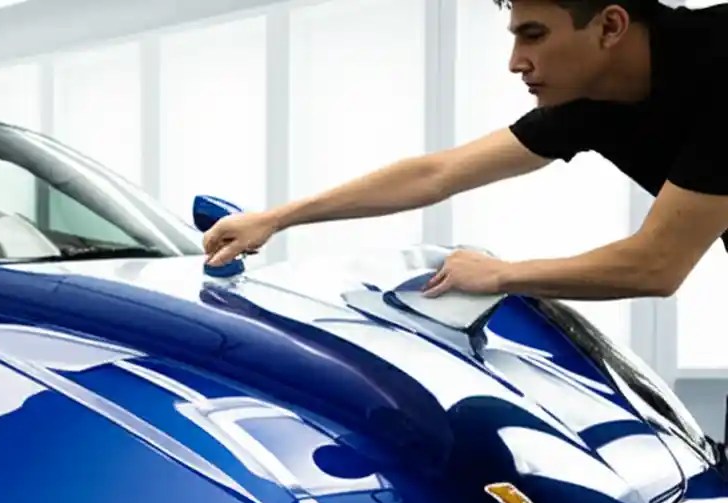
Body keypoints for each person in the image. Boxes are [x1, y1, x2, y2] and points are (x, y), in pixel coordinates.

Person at [202, 0, 728, 302]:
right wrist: (275, 219)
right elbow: (436, 173)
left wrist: (501, 274)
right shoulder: (592, 99)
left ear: (609, 27)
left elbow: (656, 265)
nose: (516, 62)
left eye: (534, 36)